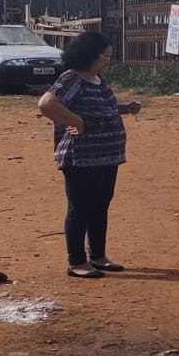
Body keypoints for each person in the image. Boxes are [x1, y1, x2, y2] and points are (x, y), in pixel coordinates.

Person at [37, 31, 140, 278]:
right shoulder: (72, 79)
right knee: (80, 207)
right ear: (88, 55)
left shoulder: (98, 80)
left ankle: (98, 255)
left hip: (107, 157)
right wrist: (77, 122)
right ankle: (76, 261)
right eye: (104, 57)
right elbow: (47, 104)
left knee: (100, 205)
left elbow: (102, 107)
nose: (107, 62)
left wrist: (123, 109)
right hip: (80, 158)